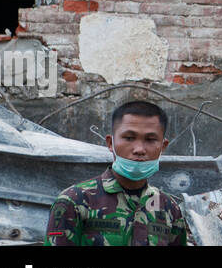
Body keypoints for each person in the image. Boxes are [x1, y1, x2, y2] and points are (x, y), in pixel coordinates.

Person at [45, 100, 189, 246]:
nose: (139, 149)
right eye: (129, 138)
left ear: (163, 146)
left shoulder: (169, 208)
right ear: (110, 143)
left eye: (150, 140)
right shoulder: (75, 201)